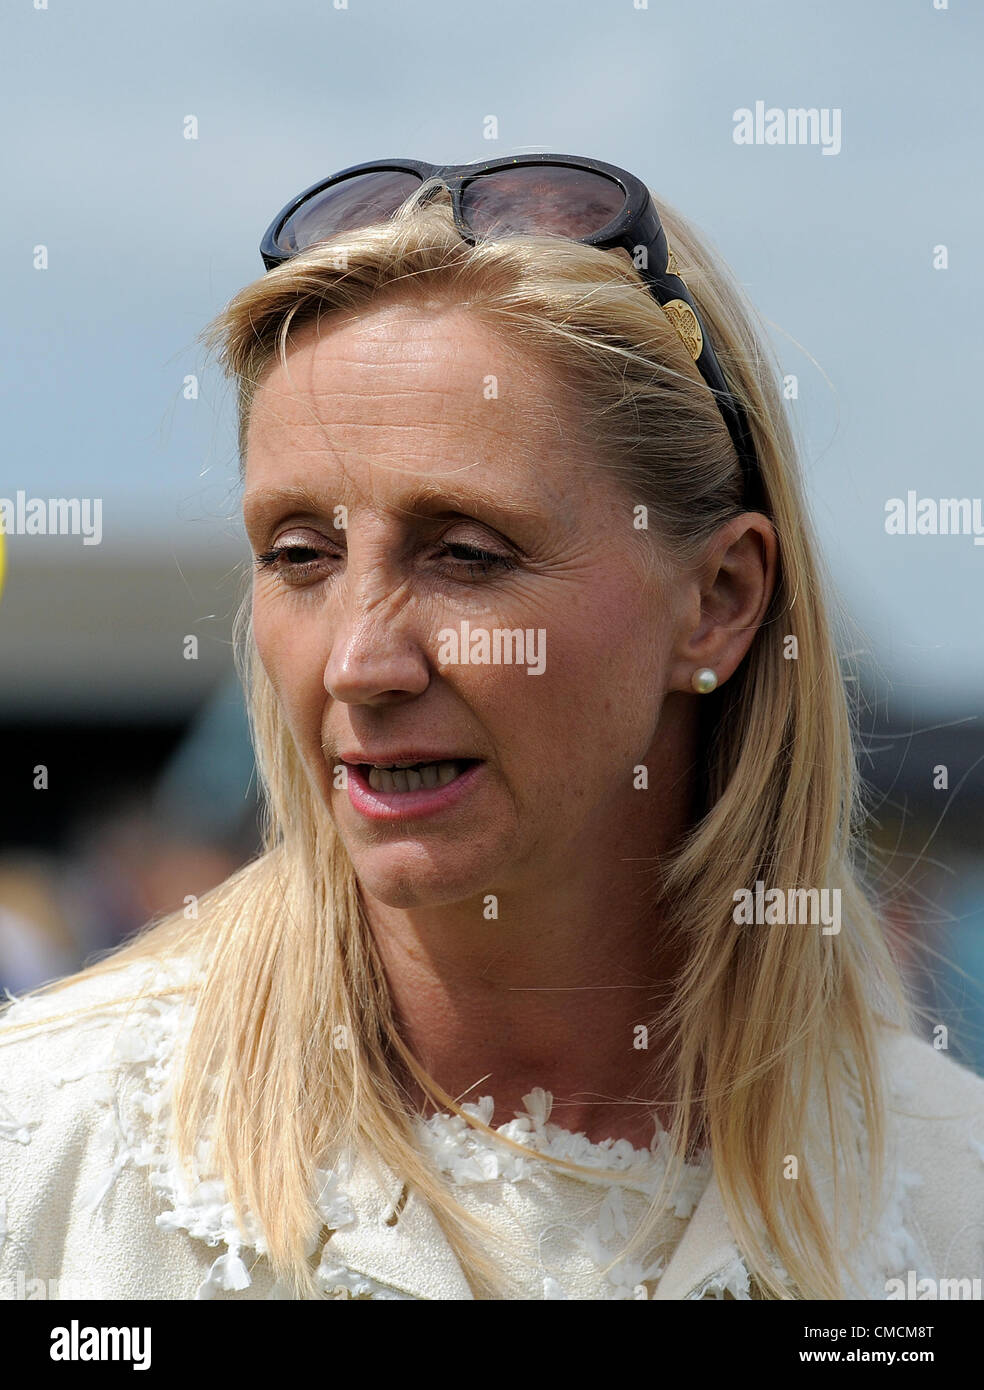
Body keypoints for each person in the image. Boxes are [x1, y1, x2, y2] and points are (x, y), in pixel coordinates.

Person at [1, 155, 981, 1303]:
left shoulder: (944, 1198)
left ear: (717, 602)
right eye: (300, 556)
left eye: (466, 554)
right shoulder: (51, 1152)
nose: (360, 662)